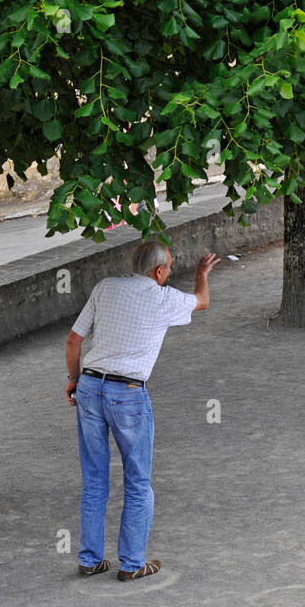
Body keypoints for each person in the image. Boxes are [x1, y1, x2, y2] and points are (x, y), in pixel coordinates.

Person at [65, 241, 219, 581]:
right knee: (137, 481)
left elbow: (74, 340)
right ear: (159, 271)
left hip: (90, 386)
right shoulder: (163, 298)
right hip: (129, 393)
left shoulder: (105, 287)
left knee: (94, 480)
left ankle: (90, 559)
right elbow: (203, 300)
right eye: (170, 267)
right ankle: (132, 563)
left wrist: (74, 380)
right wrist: (201, 274)